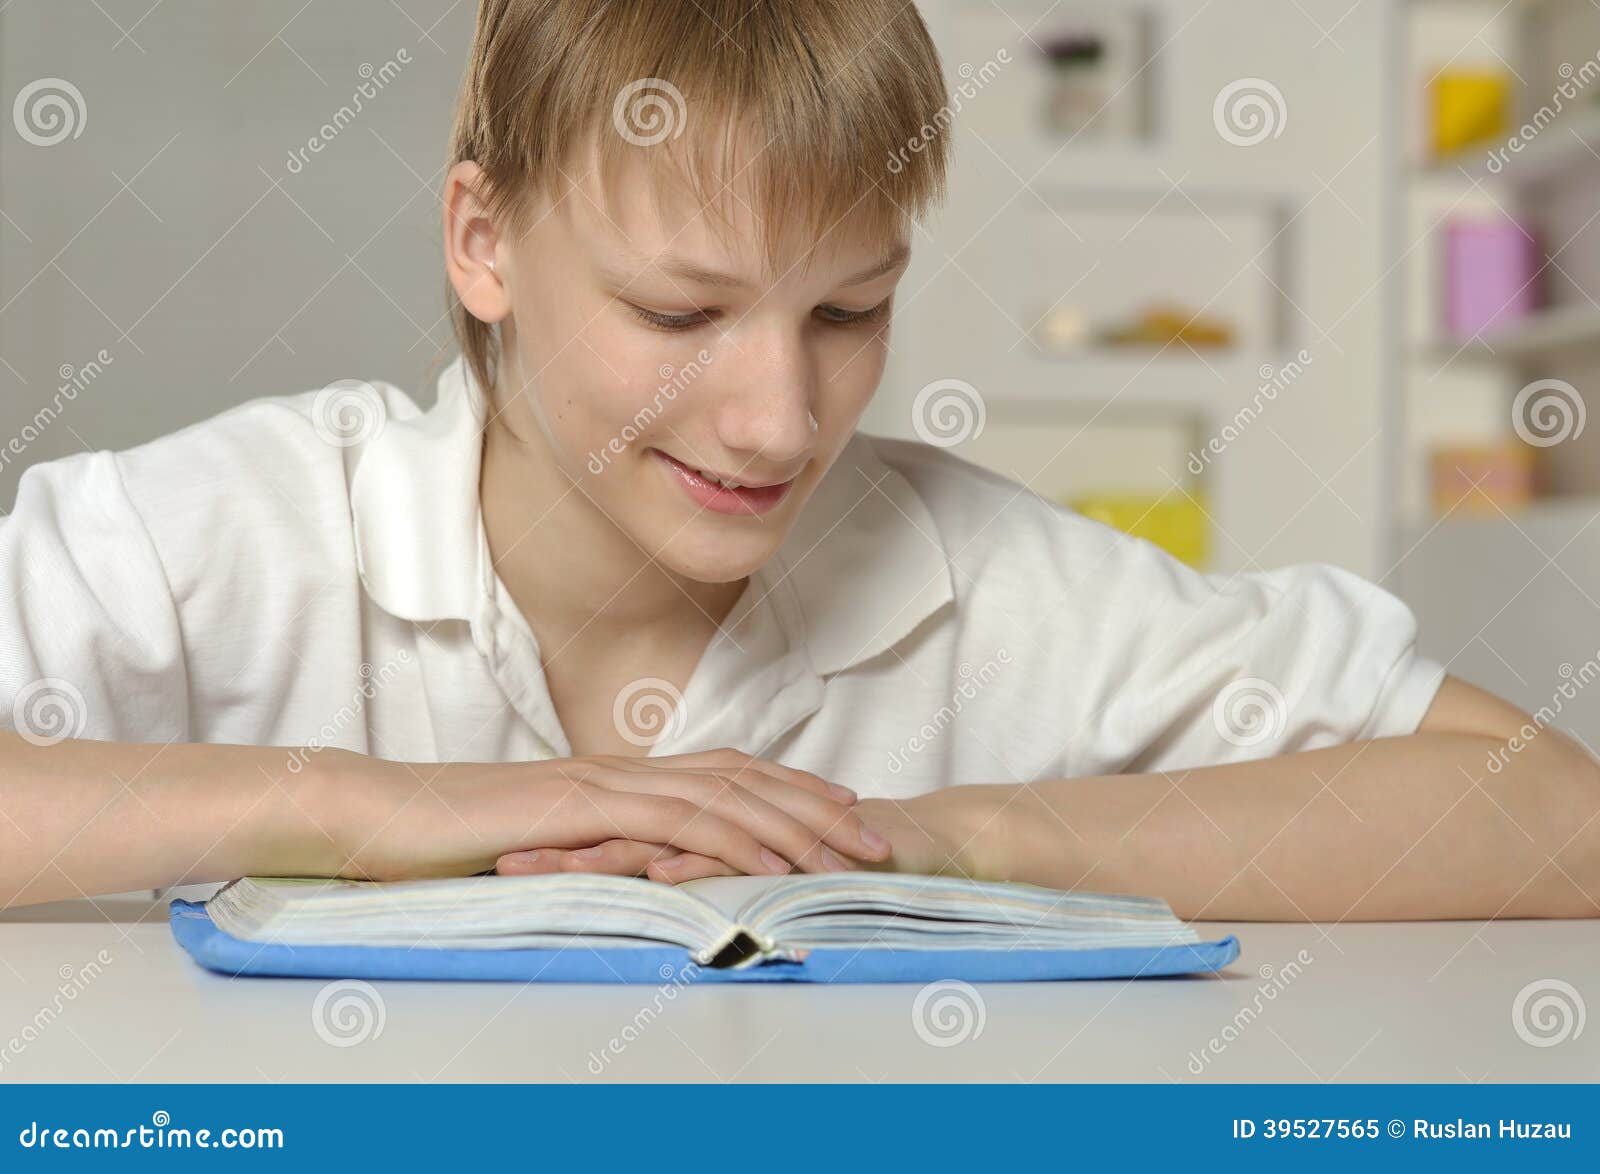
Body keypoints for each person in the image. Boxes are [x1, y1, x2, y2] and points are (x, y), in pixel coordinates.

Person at [1, 0, 1594, 920]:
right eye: (680, 310)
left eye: (850, 308)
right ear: (483, 239)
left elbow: (1549, 812)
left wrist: (959, 843)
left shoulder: (983, 579)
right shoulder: (222, 534)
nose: (780, 419)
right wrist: (360, 805)